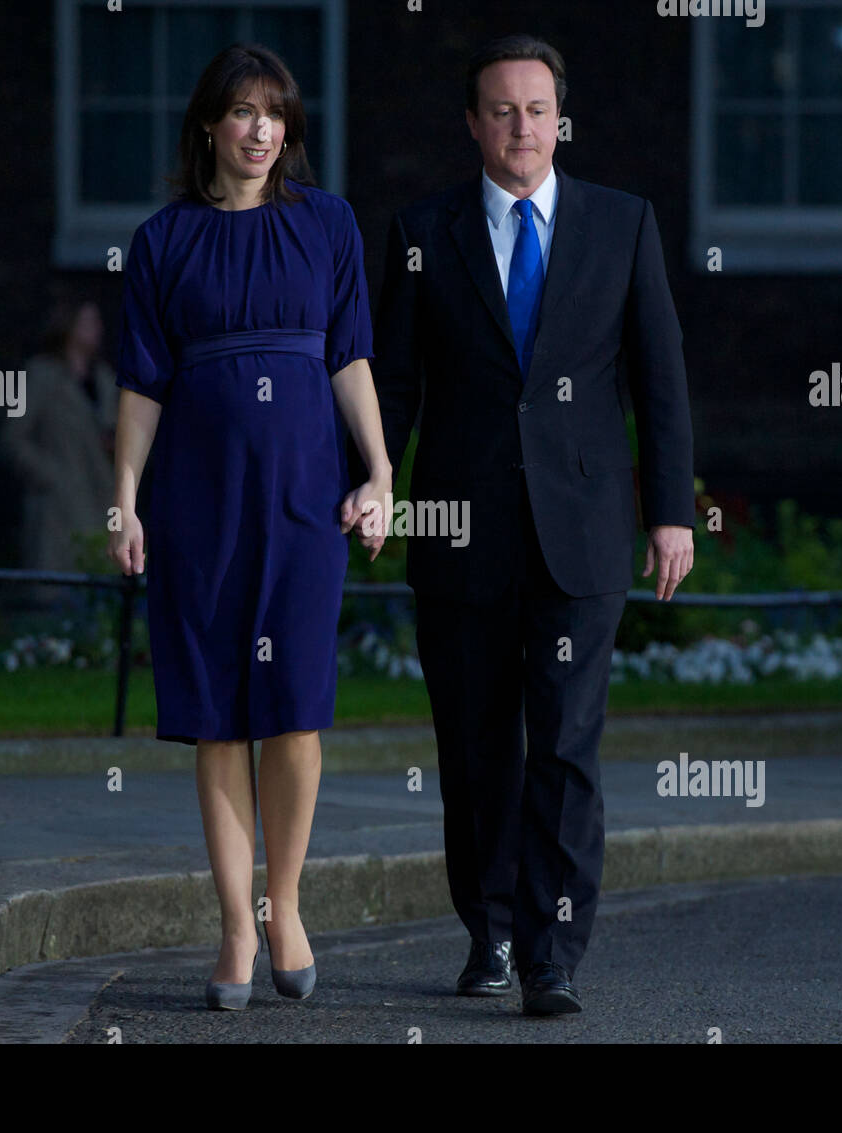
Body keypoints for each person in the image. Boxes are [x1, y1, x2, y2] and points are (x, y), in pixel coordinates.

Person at [361, 33, 696, 1016]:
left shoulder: (622, 223)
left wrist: (670, 513)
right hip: (460, 531)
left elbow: (659, 380)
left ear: (561, 121)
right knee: (476, 749)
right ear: (473, 123)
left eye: (537, 110)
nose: (521, 127)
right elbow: (392, 381)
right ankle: (492, 933)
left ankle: (553, 953)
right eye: (502, 110)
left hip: (581, 530)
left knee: (564, 745)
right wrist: (371, 482)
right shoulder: (422, 230)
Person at [107, 44, 390, 1011]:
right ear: (209, 126)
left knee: (296, 708)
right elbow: (142, 383)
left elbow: (350, 356)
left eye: (275, 113)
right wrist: (126, 497)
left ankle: (286, 905)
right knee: (218, 718)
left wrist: (381, 472)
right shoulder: (162, 241)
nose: (261, 129)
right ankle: (234, 922)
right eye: (242, 111)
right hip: (198, 500)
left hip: (306, 497)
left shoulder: (328, 223)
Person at [5, 298, 117, 593]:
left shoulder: (105, 379)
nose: (97, 329)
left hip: (101, 500)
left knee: (100, 590)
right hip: (58, 511)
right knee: (58, 592)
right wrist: (51, 477)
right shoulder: (41, 376)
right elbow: (15, 438)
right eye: (89, 322)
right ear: (69, 327)